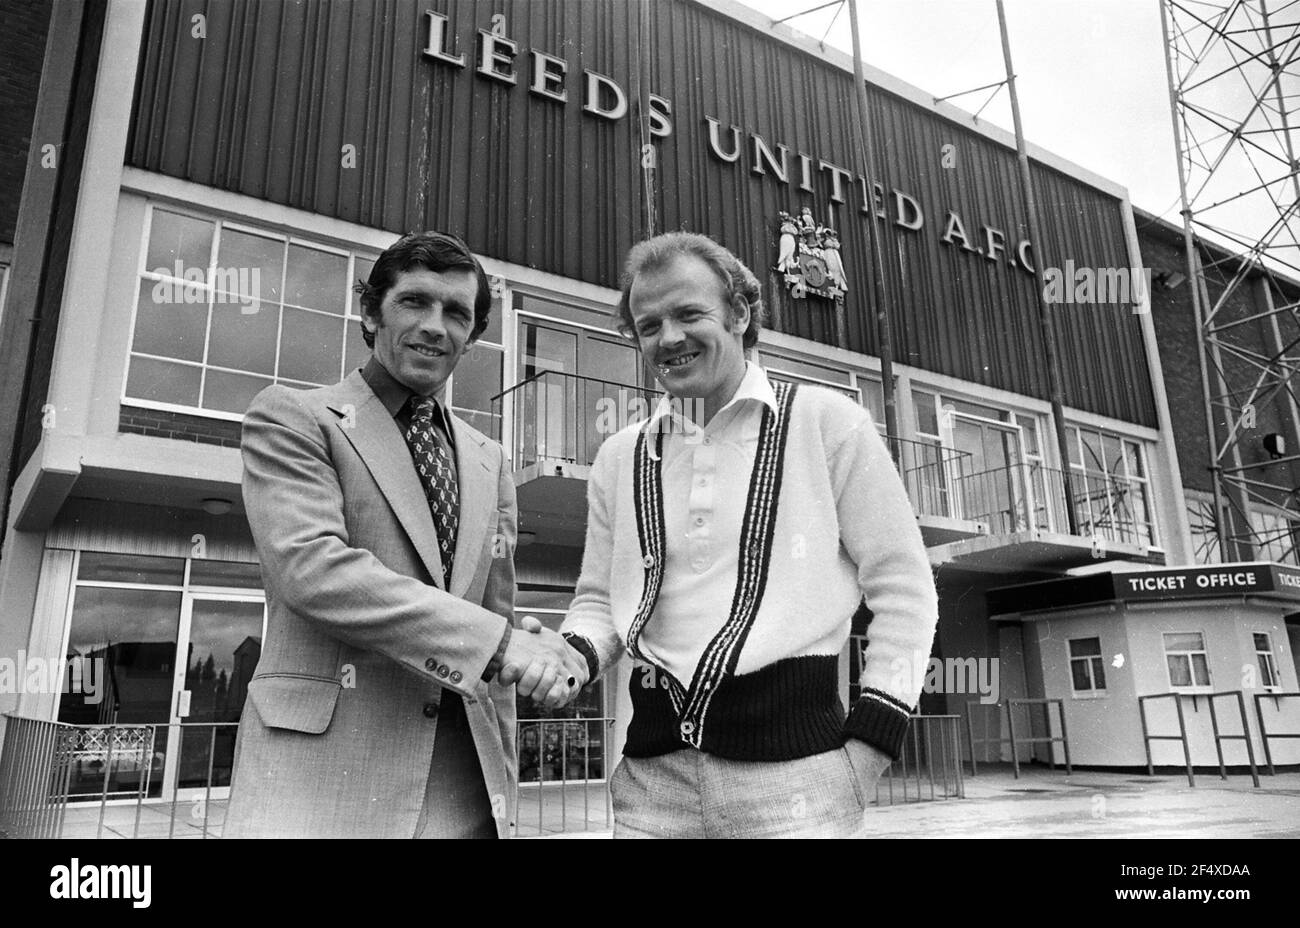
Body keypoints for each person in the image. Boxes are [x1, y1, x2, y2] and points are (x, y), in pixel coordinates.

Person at [557, 231, 938, 838]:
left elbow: (906, 590)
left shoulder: (829, 424)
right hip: (650, 784)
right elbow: (600, 599)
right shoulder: (618, 456)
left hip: (797, 783)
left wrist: (870, 747)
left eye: (688, 314)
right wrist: (568, 655)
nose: (669, 338)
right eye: (648, 325)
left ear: (738, 313)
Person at [225, 231, 586, 838]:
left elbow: (494, 611)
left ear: (471, 337)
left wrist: (505, 771)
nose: (434, 326)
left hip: (461, 788)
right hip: (322, 784)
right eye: (414, 302)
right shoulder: (295, 417)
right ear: (370, 311)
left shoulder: (489, 459)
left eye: (456, 313)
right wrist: (500, 645)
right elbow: (313, 572)